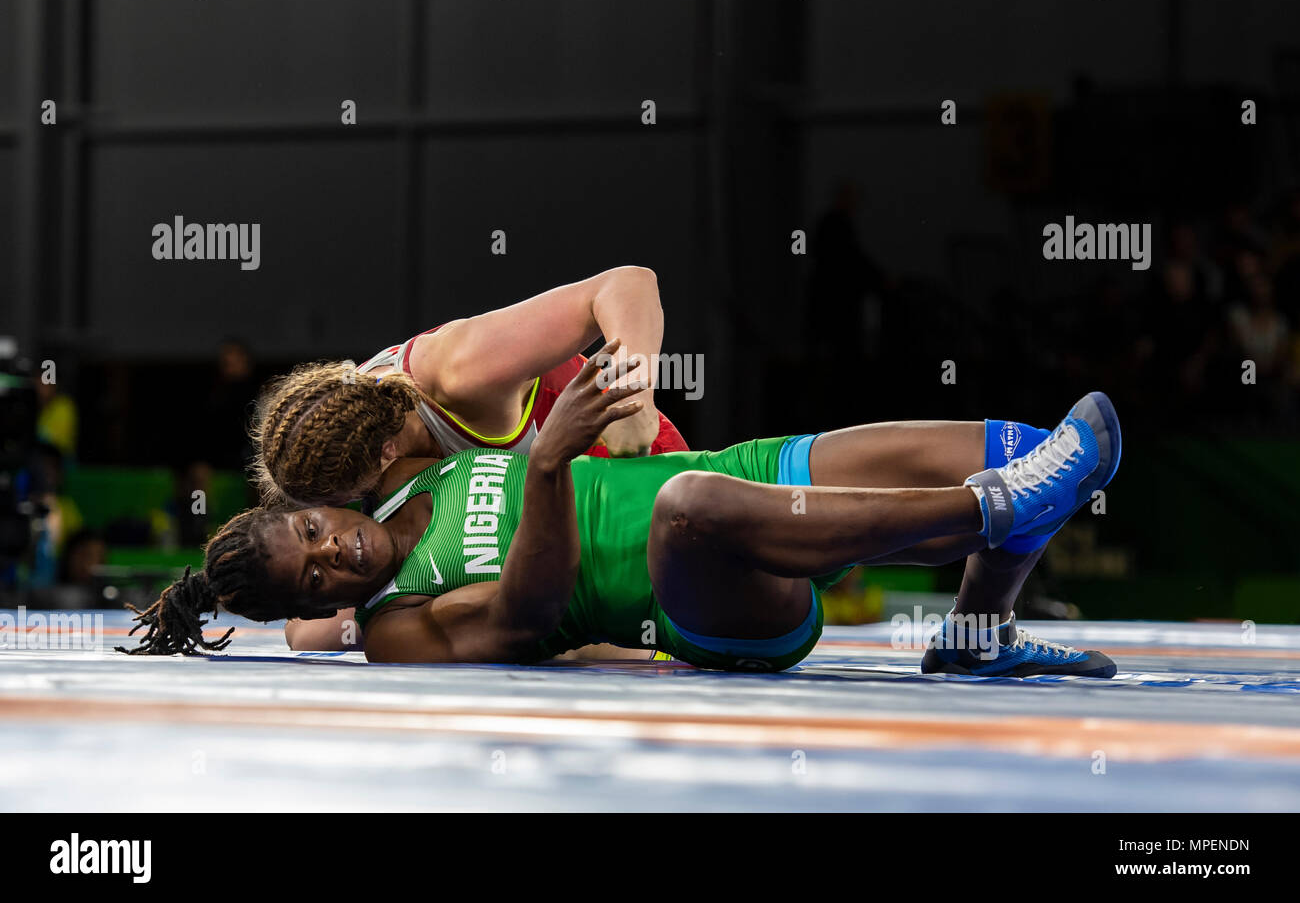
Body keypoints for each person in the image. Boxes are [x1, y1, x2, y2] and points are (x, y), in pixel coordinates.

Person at [123, 341, 1122, 678]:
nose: (336, 551)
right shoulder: (395, 632)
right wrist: (549, 465)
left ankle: (978, 626)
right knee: (685, 507)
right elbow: (521, 613)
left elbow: (375, 406)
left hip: (749, 469)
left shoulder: (405, 475)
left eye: (311, 531)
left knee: (1031, 449)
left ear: (319, 505)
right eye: (319, 574)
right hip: (703, 603)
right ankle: (982, 512)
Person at [255, 267, 688, 649]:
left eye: (350, 494)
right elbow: (307, 627)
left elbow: (625, 283)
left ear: (386, 453)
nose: (350, 511)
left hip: (629, 481)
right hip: (545, 545)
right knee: (311, 634)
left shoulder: (460, 369)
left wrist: (636, 389)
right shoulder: (343, 421)